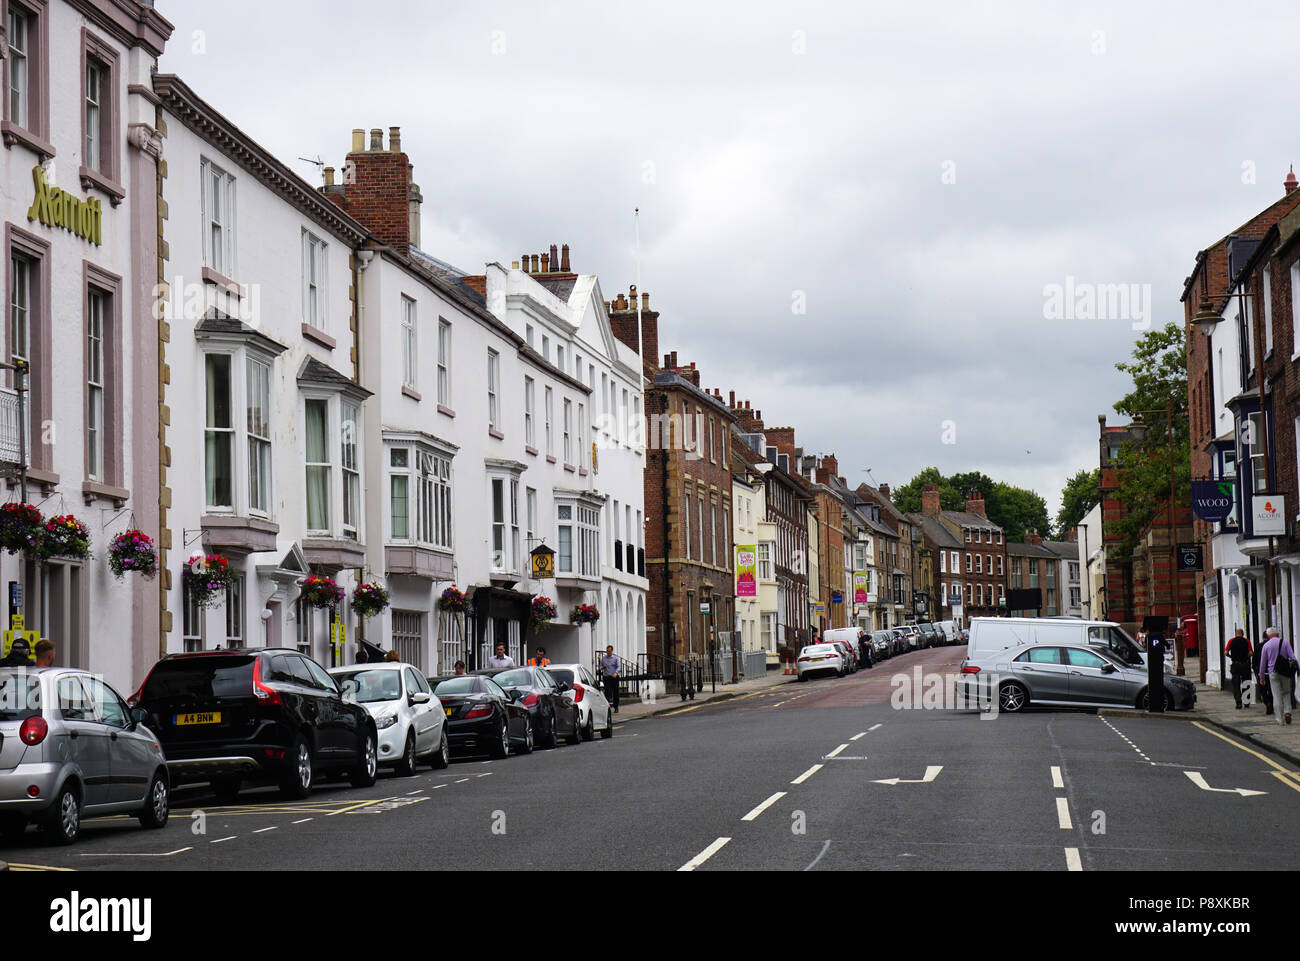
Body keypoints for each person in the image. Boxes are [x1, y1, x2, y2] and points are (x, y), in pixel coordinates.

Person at [1259, 626, 1296, 725]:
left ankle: (1279, 719)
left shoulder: (1266, 646)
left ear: (1268, 635)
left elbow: (1263, 663)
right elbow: (1292, 657)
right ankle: (1287, 711)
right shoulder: (1285, 642)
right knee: (1286, 692)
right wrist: (1298, 668)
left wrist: (1261, 677)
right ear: (1277, 634)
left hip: (1273, 672)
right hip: (1285, 672)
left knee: (1276, 695)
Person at [1225, 628, 1253, 709]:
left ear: (1236, 634)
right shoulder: (1247, 641)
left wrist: (1232, 657)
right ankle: (1246, 702)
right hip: (1245, 664)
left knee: (1236, 684)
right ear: (1242, 634)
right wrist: (1246, 657)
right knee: (1246, 682)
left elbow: (1226, 652)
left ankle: (1238, 703)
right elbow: (1251, 653)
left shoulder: (1231, 641)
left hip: (1235, 665)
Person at [1252, 633, 1273, 716]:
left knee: (1263, 690)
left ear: (1262, 637)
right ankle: (1270, 703)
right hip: (1271, 671)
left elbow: (1254, 660)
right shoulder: (1272, 646)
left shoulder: (1258, 646)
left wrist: (1256, 670)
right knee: (1271, 689)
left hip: (1261, 672)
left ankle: (1267, 703)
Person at [599, 645, 621, 713]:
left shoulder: (615, 658)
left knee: (615, 692)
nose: (608, 652)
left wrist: (616, 673)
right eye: (607, 651)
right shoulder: (603, 658)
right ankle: (607, 707)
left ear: (612, 651)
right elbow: (600, 667)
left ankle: (616, 707)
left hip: (614, 677)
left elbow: (619, 667)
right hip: (606, 677)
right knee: (607, 691)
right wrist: (602, 667)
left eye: (609, 651)